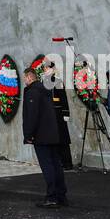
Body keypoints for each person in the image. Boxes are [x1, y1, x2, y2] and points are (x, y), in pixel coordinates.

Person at [22, 68, 67, 207]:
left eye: (25, 78)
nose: (24, 80)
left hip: (41, 135)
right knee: (56, 165)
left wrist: (28, 135)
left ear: (29, 77)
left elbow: (32, 116)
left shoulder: (33, 92)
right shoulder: (45, 90)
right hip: (52, 133)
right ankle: (61, 195)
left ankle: (52, 197)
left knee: (48, 166)